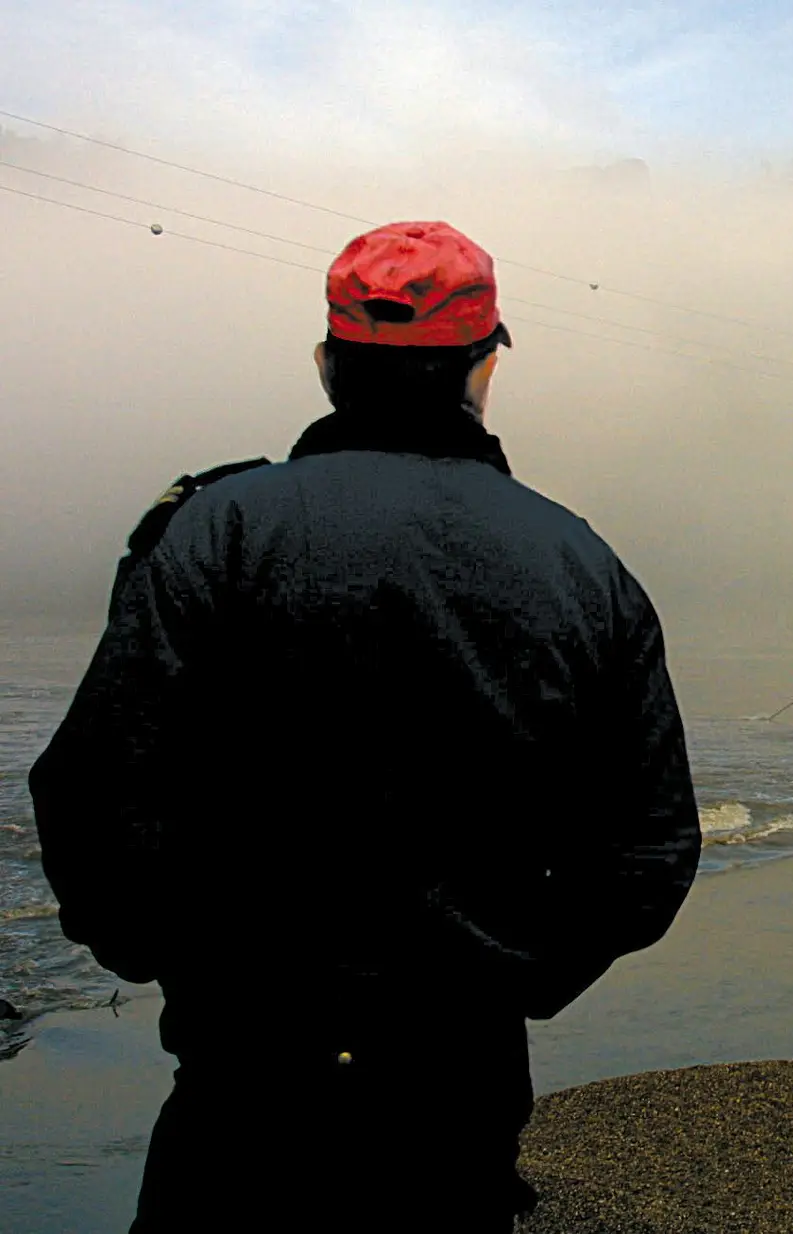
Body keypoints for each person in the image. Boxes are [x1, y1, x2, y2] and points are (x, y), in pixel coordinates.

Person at [29, 221, 702, 1231]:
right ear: (485, 367)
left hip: (238, 1087)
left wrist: (172, 962)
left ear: (328, 364)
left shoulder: (218, 529)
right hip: (455, 1096)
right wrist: (519, 973)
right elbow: (652, 849)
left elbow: (88, 792)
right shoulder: (579, 564)